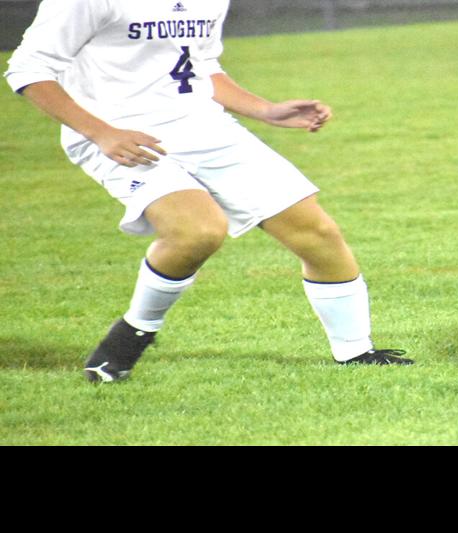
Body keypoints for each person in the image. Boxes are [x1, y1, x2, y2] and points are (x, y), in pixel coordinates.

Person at [4, 0, 412, 384]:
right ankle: (131, 335)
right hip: (123, 132)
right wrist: (102, 133)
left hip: (203, 126)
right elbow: (27, 69)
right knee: (197, 230)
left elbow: (199, 67)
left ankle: (356, 353)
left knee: (316, 231)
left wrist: (265, 110)